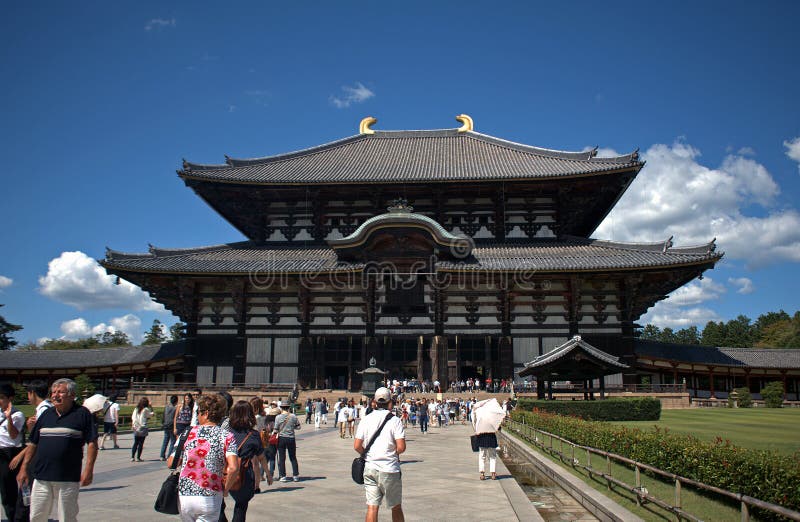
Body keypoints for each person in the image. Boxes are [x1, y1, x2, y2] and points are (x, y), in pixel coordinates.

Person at [17, 378, 98, 522]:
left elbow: (92, 443)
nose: (55, 395)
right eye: (53, 392)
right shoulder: (46, 414)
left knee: (67, 517)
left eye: (60, 392)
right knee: (36, 516)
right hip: (41, 476)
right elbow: (33, 443)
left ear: (72, 395)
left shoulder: (82, 414)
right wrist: (24, 468)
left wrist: (88, 470)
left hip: (67, 477)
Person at [168, 394, 237, 522]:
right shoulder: (227, 436)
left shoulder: (187, 433)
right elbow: (233, 468)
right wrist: (226, 490)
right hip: (210, 494)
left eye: (198, 412)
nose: (197, 416)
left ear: (205, 414)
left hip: (185, 495)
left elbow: (171, 463)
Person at [354, 387, 406, 522]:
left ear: (374, 402)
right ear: (390, 402)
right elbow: (401, 447)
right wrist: (390, 453)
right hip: (389, 468)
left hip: (370, 468)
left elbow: (357, 446)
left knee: (372, 507)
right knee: (395, 506)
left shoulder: (366, 419)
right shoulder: (395, 420)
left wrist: (369, 455)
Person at [228, 401, 263, 522]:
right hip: (244, 475)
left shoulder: (225, 432)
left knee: (218, 506)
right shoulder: (253, 435)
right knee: (241, 507)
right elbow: (260, 457)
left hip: (224, 472)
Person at [0, 383, 25, 522]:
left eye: (2, 397)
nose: (0, 401)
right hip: (1, 453)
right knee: (4, 489)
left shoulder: (18, 414)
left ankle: (17, 517)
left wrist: (9, 418)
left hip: (12, 452)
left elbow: (13, 435)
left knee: (10, 488)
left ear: (11, 398)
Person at [272, 401, 301, 482]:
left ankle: (283, 476)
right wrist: (291, 428)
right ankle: (295, 475)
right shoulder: (293, 416)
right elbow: (298, 427)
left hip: (281, 438)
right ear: (289, 408)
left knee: (282, 458)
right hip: (291, 438)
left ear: (281, 408)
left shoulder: (278, 417)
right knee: (293, 457)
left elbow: (275, 429)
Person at [130, 397, 154, 462]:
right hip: (143, 427)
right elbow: (151, 415)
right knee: (141, 443)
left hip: (136, 427)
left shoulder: (136, 409)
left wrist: (133, 425)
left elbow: (133, 417)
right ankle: (138, 457)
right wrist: (151, 407)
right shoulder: (146, 409)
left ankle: (132, 457)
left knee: (135, 442)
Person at [160, 394, 179, 461]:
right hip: (171, 426)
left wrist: (163, 423)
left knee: (165, 441)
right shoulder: (176, 408)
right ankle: (169, 456)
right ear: (176, 401)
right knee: (172, 441)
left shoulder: (166, 407)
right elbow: (176, 418)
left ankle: (162, 455)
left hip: (166, 425)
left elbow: (163, 416)